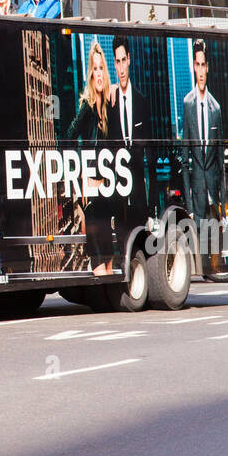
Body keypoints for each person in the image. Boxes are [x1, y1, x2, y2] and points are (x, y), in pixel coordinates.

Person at [67, 40, 115, 276]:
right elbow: (68, 138)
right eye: (94, 69)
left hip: (109, 195)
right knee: (99, 264)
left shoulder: (108, 107)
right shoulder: (86, 106)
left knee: (109, 264)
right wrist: (82, 174)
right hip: (93, 197)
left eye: (101, 69)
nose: (98, 73)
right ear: (90, 73)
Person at [181, 38, 227, 259]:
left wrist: (224, 203)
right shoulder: (187, 104)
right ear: (194, 67)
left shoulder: (216, 107)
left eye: (203, 65)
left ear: (207, 67)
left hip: (213, 193)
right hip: (197, 193)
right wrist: (188, 204)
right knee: (199, 244)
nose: (200, 71)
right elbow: (184, 159)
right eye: (196, 65)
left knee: (215, 244)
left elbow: (220, 161)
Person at [107, 35, 153, 251]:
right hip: (117, 195)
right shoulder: (109, 103)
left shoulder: (142, 101)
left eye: (123, 60)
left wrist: (150, 208)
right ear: (114, 64)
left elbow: (150, 156)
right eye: (117, 62)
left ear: (130, 59)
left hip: (139, 197)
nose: (121, 68)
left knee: (141, 249)